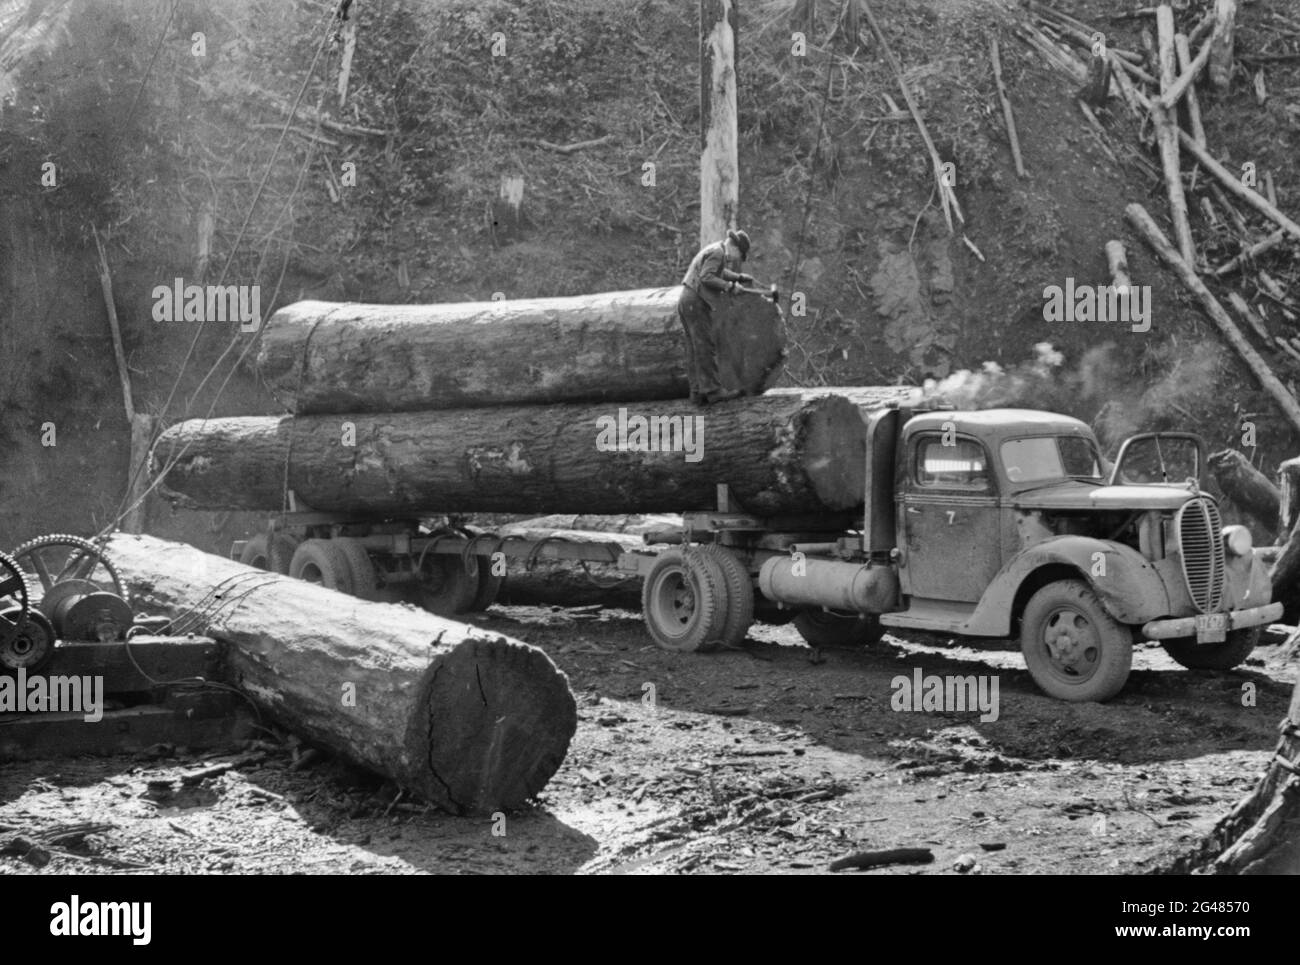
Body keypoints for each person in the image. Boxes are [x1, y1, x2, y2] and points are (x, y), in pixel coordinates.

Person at [677, 228, 755, 405]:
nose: (736, 259)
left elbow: (717, 272)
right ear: (735, 248)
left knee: (694, 346)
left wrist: (738, 277)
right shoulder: (719, 252)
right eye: (739, 255)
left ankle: (697, 392)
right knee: (705, 345)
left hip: (687, 299)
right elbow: (707, 277)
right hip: (696, 300)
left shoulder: (715, 250)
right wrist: (729, 287)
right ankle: (713, 391)